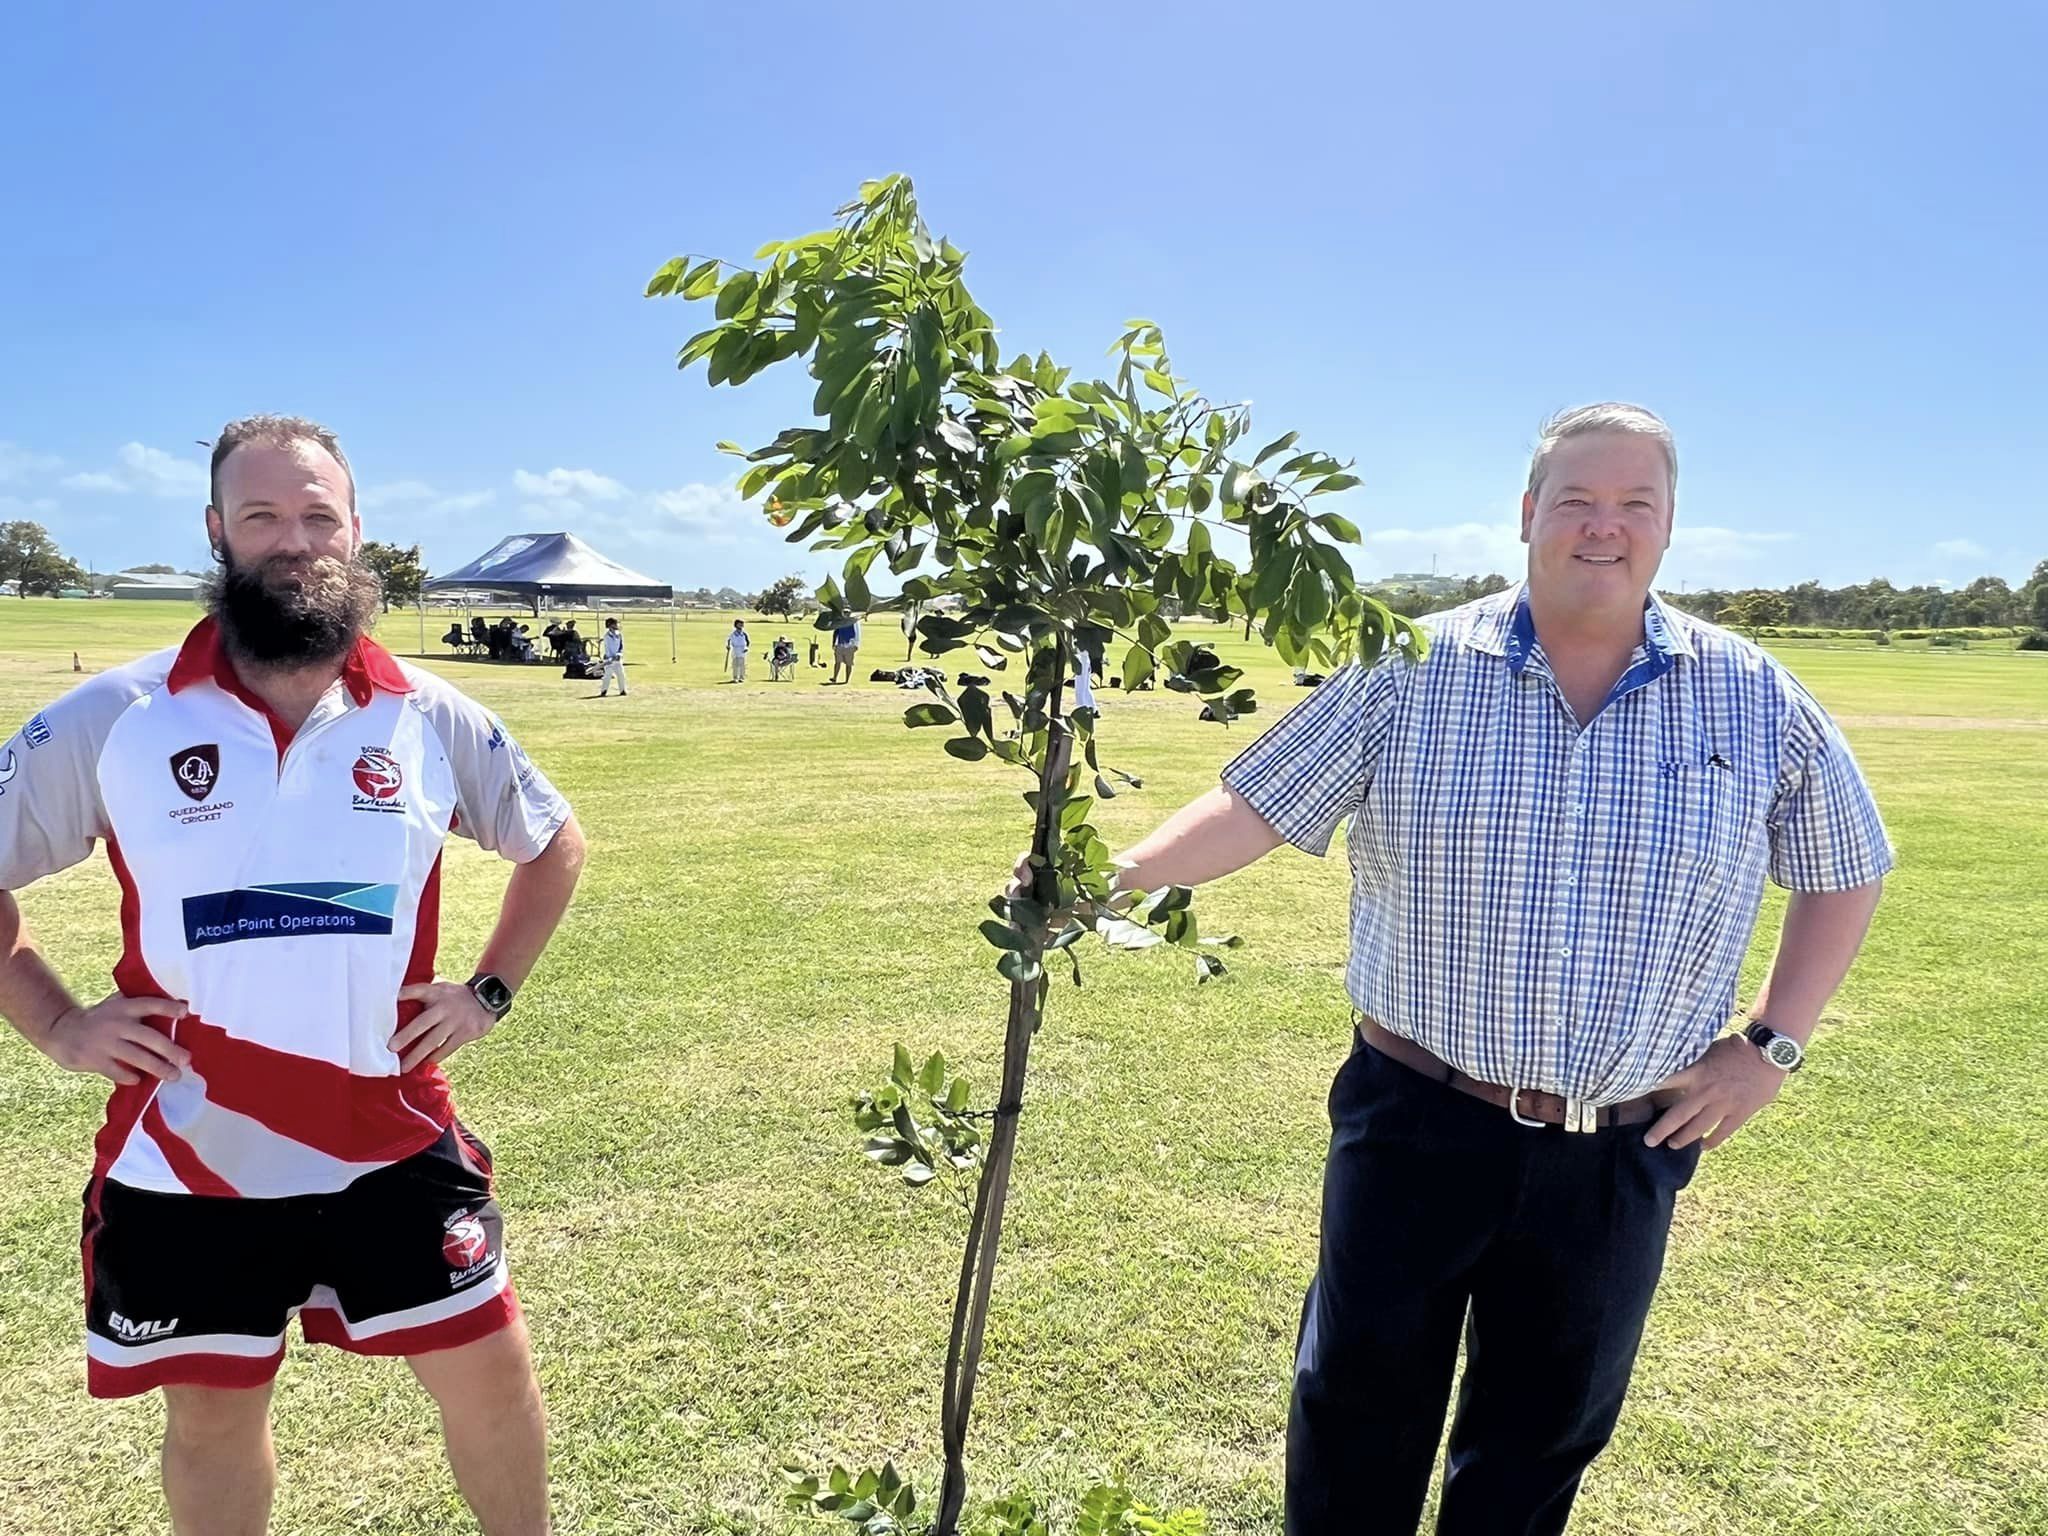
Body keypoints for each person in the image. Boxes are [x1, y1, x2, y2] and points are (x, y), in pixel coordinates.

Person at [1030, 404, 1892, 1535]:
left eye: (1633, 503)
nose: (1603, 526)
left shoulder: (1754, 695)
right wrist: (1107, 880)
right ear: (1528, 513)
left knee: (1539, 1443)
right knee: (1355, 1417)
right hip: (1415, 1118)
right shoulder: (1407, 669)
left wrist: (1770, 1046)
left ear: (1669, 525)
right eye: (1576, 500)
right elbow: (1255, 804)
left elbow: (1846, 865)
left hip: (1619, 1150)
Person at [0, 415, 585, 1536]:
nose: (294, 541)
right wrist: (60, 1023)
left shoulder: (427, 713)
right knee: (214, 1422)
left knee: (492, 1376)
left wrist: (488, 992)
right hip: (190, 1150)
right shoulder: (119, 714)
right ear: (216, 530)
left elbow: (552, 841)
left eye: (318, 516)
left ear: (356, 531)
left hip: (390, 1130)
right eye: (263, 515)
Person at [597, 617, 627, 697]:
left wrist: (619, 654)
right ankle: (603, 691)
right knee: (607, 676)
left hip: (617, 659)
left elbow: (621, 646)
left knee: (621, 675)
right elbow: (608, 649)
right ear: (610, 625)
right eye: (615, 624)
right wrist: (610, 658)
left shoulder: (619, 635)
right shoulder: (607, 636)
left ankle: (622, 690)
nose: (617, 625)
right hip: (609, 660)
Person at [828, 617, 860, 684]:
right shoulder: (839, 620)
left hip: (850, 644)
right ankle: (834, 678)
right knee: (837, 662)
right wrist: (834, 643)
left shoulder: (854, 620)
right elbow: (836, 631)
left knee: (849, 663)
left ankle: (846, 680)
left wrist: (856, 644)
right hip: (840, 643)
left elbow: (857, 632)